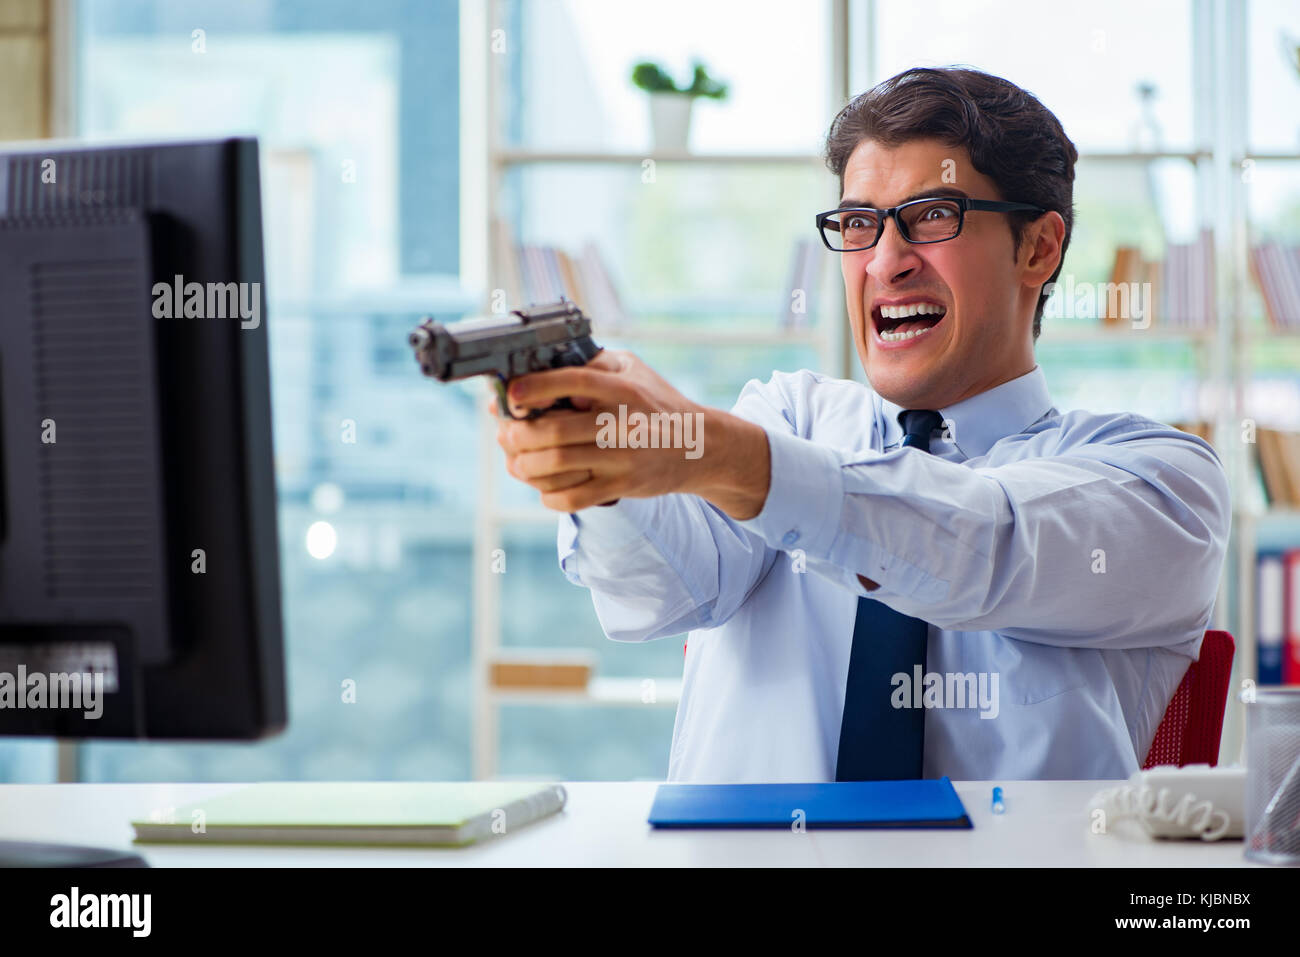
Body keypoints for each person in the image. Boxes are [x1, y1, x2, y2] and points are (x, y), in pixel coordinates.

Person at [492, 66, 1230, 782]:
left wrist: (720, 453)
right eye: (858, 223)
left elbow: (984, 544)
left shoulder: (1162, 479)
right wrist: (605, 467)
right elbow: (654, 593)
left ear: (1038, 248)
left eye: (933, 216)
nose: (885, 262)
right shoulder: (790, 417)